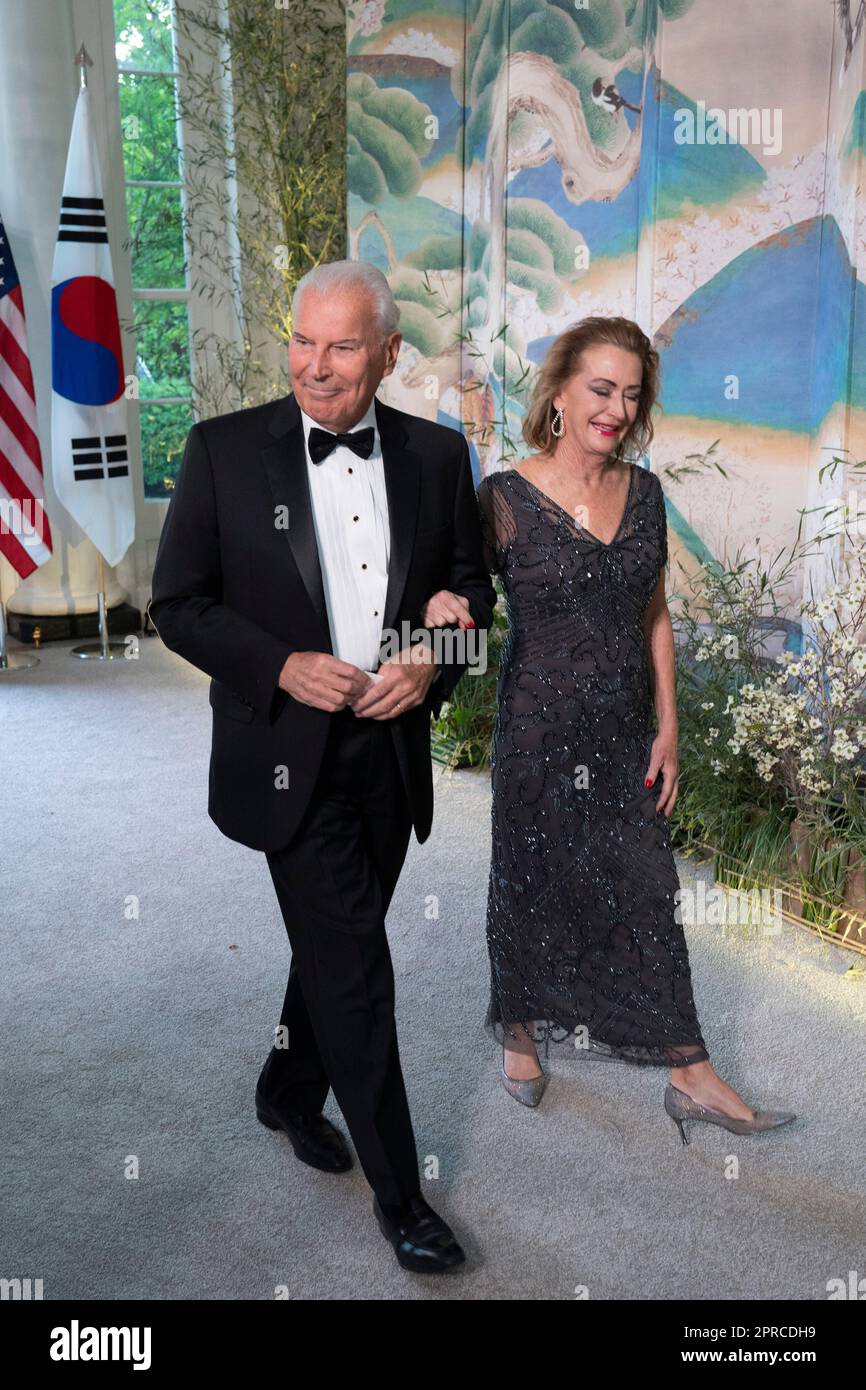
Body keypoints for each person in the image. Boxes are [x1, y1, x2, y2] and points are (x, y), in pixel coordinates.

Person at [148, 259, 496, 1270]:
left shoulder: (437, 457)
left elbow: (468, 599)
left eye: (342, 345)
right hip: (280, 757)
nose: (314, 364)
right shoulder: (222, 451)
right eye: (302, 339)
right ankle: (403, 1199)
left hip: (388, 753)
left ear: (388, 354)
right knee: (357, 972)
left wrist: (437, 656)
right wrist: (281, 665)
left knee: (334, 940)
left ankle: (287, 1086)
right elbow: (176, 604)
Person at [466, 316, 796, 1142]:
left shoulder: (645, 492)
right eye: (600, 389)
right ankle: (519, 1028)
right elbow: (460, 603)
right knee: (531, 880)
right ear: (561, 393)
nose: (615, 409)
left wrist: (670, 725)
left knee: (649, 887)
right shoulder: (504, 497)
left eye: (631, 394)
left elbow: (654, 614)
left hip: (623, 735)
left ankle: (690, 1072)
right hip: (538, 731)